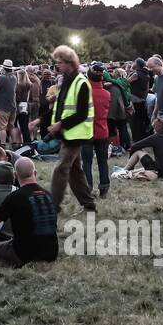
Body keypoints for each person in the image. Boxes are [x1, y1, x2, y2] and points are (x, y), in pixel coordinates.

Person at [46, 45, 98, 213]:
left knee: (61, 168)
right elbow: (60, 107)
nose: (57, 66)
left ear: (69, 63)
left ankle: (53, 205)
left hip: (76, 134)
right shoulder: (67, 81)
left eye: (59, 62)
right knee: (75, 171)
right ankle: (89, 204)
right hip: (69, 133)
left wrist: (61, 124)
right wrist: (41, 121)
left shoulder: (80, 82)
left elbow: (82, 113)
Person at [83, 62, 113, 196]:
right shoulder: (107, 94)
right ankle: (104, 187)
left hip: (86, 131)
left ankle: (88, 187)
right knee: (102, 161)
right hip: (102, 130)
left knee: (87, 162)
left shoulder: (84, 93)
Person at [0, 60, 18, 146]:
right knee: (11, 126)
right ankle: (14, 142)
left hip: (3, 105)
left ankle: (3, 144)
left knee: (2, 127)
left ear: (4, 68)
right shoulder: (14, 78)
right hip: (13, 105)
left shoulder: (2, 78)